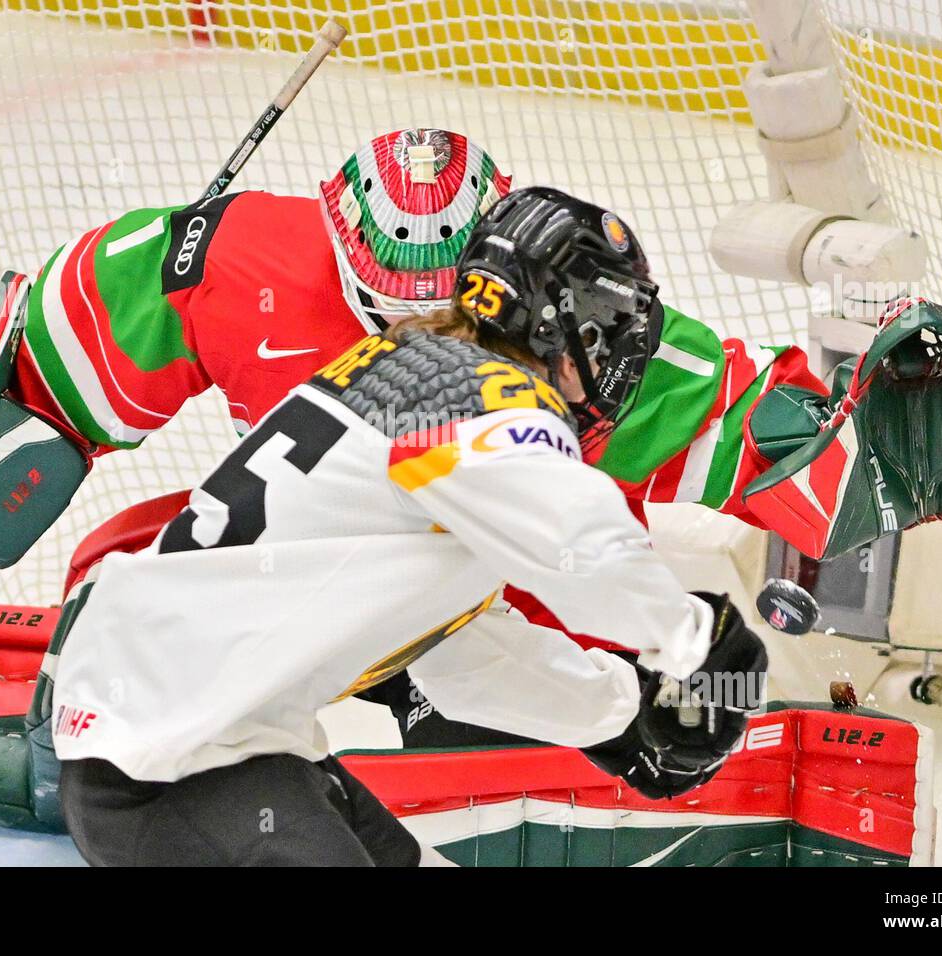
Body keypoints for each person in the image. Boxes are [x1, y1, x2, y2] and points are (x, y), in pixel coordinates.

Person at [49, 187, 769, 865]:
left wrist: (620, 717)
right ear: (561, 322)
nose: (621, 352)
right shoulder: (486, 400)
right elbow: (584, 548)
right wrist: (694, 644)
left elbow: (456, 651)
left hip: (217, 745)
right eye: (611, 326)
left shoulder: (413, 372)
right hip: (168, 761)